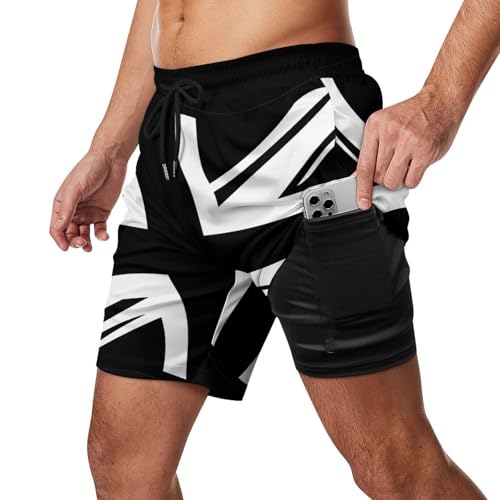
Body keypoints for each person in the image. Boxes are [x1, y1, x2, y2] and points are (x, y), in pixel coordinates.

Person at [49, 0, 498, 498]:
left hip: (303, 141)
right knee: (124, 470)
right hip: (173, 157)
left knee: (395, 467)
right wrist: (110, 149)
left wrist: (439, 105)